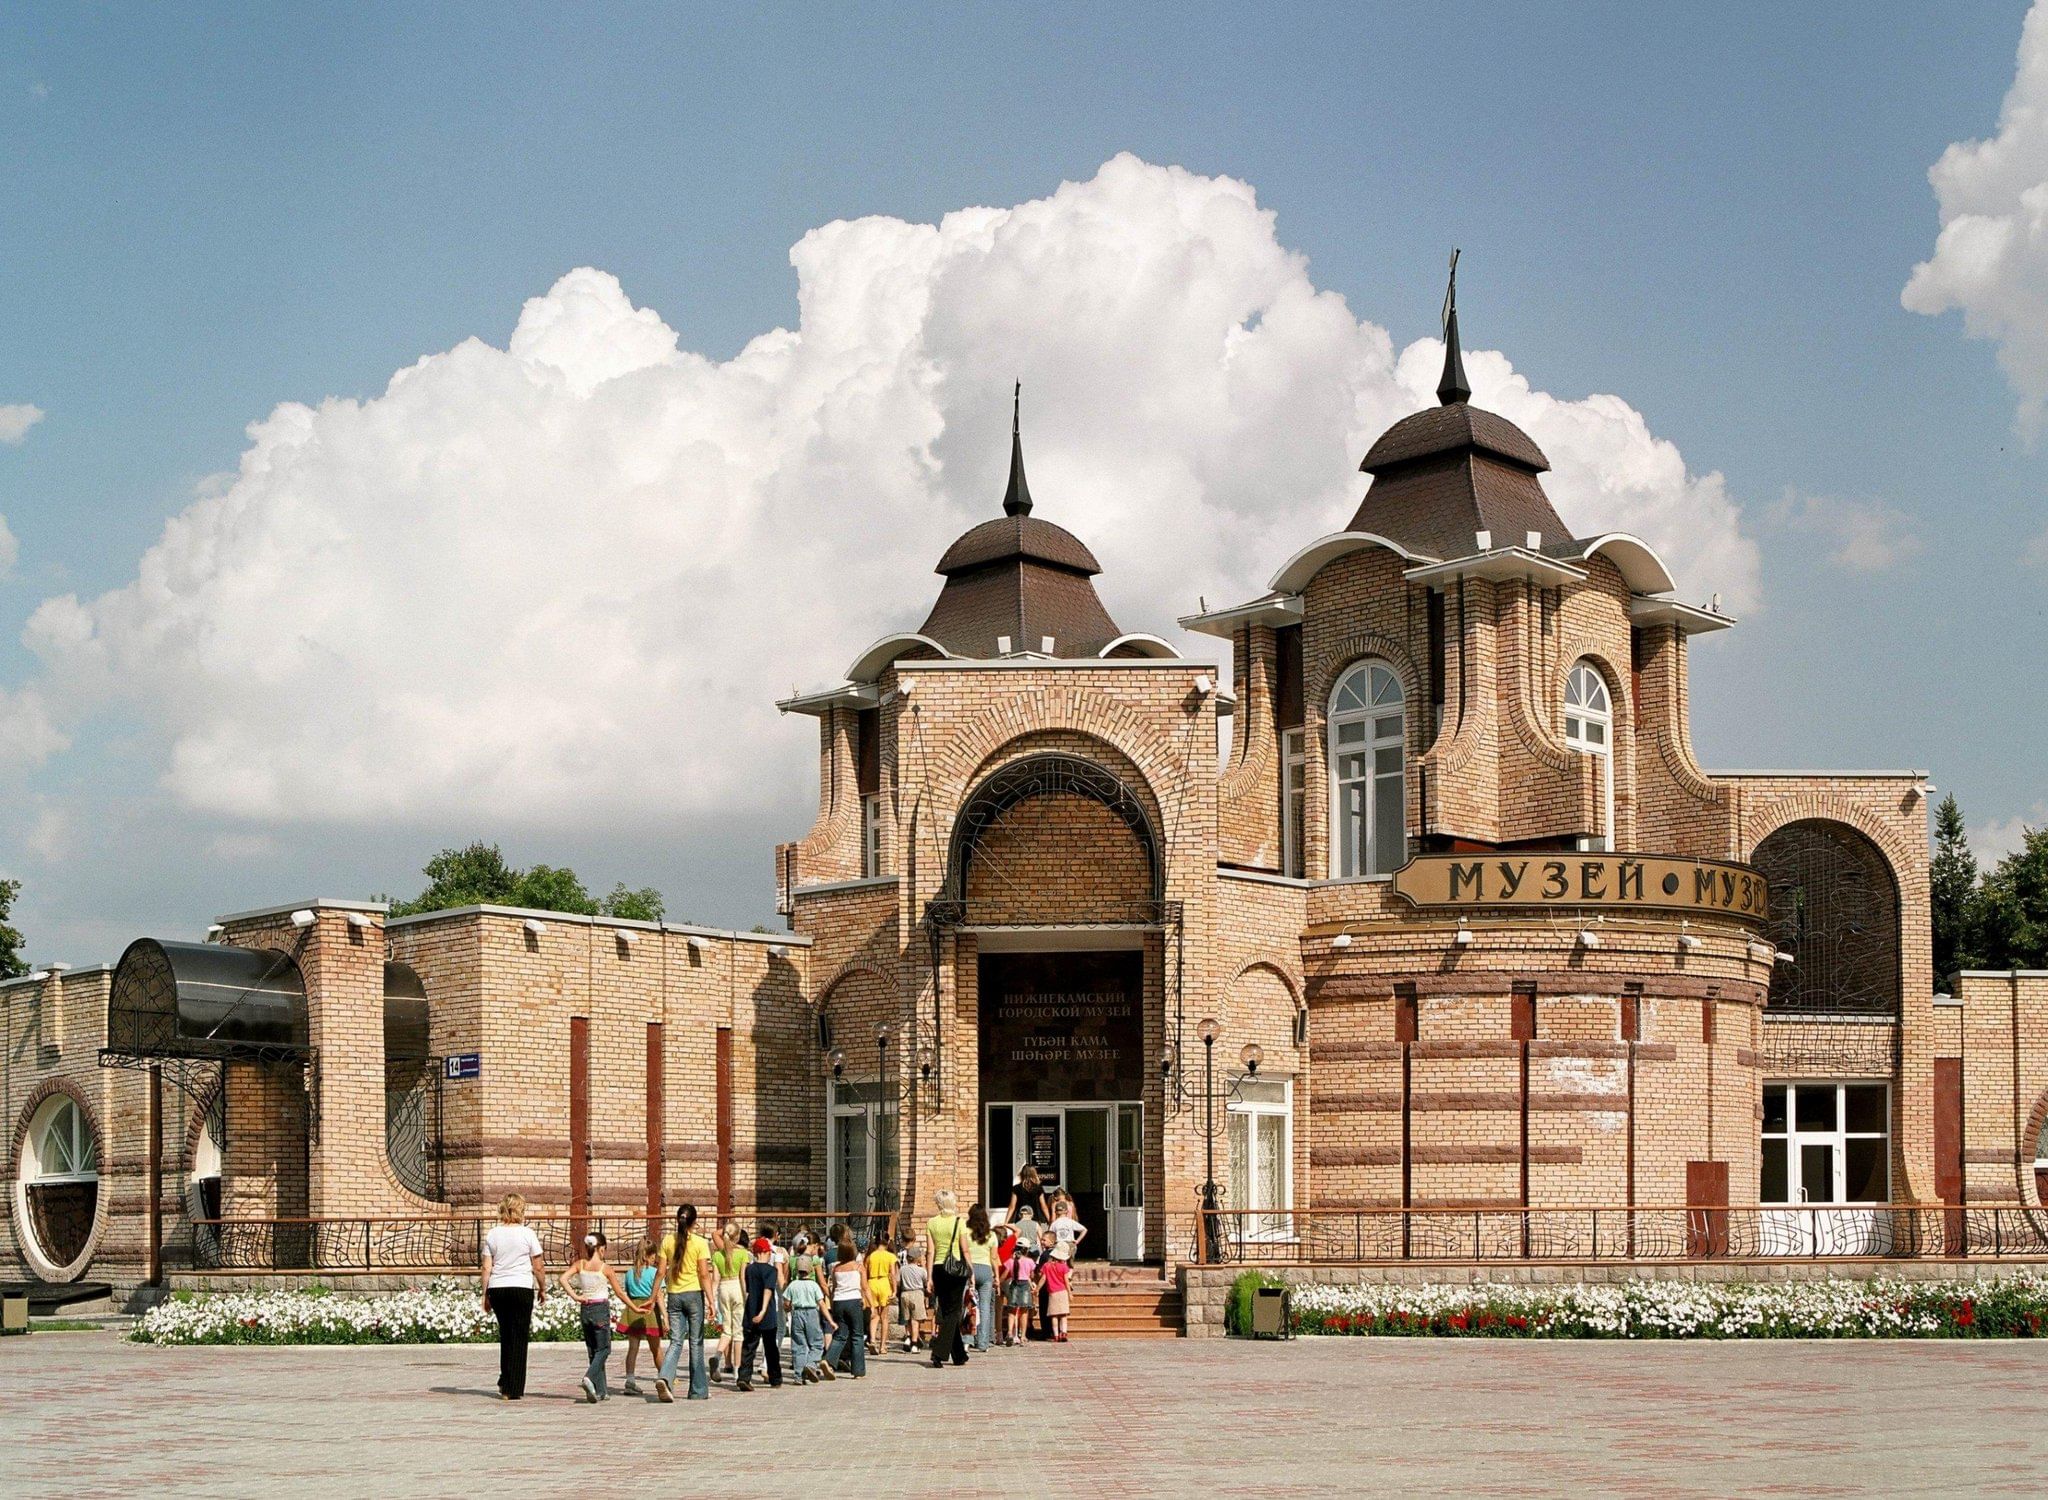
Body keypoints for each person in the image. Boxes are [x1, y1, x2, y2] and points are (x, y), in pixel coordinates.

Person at [480, 1192, 546, 1400]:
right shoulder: (527, 1234)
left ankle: (505, 1380)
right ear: (521, 1210)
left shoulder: (492, 1234)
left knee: (506, 1335)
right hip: (520, 1287)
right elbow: (538, 1265)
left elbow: (486, 1267)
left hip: (498, 1288)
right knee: (519, 1337)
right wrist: (543, 1288)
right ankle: (513, 1387)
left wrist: (485, 1295)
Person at [655, 1203, 716, 1403]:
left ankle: (665, 1376)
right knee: (696, 1342)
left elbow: (661, 1271)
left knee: (676, 1341)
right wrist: (711, 1301)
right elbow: (704, 1274)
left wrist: (652, 1295)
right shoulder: (700, 1243)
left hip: (674, 1295)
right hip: (693, 1295)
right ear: (694, 1221)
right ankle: (698, 1390)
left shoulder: (667, 1240)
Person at [561, 1231, 632, 1402]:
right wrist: (634, 1307)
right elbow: (620, 1292)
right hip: (600, 1308)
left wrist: (576, 1296)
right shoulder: (605, 1268)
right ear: (601, 1249)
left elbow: (563, 1279)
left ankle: (601, 1390)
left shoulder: (580, 1264)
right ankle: (589, 1378)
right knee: (604, 1349)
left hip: (586, 1309)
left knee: (593, 1351)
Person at [925, 1189, 971, 1369]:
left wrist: (929, 1276)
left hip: (938, 1268)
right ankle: (939, 1353)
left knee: (946, 1310)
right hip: (956, 1268)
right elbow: (965, 1249)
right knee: (954, 1312)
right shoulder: (960, 1222)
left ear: (939, 1204)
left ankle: (959, 1355)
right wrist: (971, 1271)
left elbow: (930, 1251)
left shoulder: (931, 1222)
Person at [617, 1234, 666, 1396]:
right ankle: (664, 1376)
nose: (655, 1260)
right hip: (649, 1310)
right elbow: (659, 1295)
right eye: (653, 1257)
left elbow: (628, 1292)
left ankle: (630, 1380)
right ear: (647, 1256)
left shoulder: (630, 1273)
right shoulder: (654, 1273)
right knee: (656, 1348)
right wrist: (665, 1316)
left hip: (633, 1310)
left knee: (633, 1348)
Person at [736, 1236, 783, 1391]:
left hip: (750, 1311)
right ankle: (775, 1378)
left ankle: (744, 1377)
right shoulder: (771, 1270)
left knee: (749, 1347)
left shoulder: (750, 1269)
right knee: (770, 1347)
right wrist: (763, 1310)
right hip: (767, 1314)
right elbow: (768, 1290)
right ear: (765, 1252)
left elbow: (748, 1289)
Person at [821, 1239, 870, 1378]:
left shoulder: (836, 1268)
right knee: (857, 1336)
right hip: (854, 1301)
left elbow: (834, 1287)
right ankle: (858, 1370)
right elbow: (865, 1287)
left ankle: (828, 1359)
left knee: (841, 1335)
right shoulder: (858, 1267)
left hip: (838, 1302)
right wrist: (869, 1302)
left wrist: (832, 1302)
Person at [785, 1250, 836, 1383]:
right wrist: (830, 1320)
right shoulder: (814, 1286)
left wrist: (788, 1308)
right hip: (812, 1313)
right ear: (811, 1270)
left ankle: (798, 1375)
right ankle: (811, 1364)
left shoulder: (792, 1285)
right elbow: (822, 1304)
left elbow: (786, 1303)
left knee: (798, 1345)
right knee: (817, 1344)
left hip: (797, 1314)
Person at [710, 1221, 750, 1385]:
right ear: (738, 1236)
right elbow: (742, 1277)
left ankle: (717, 1356)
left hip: (723, 1289)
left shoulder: (717, 1255)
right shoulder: (742, 1254)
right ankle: (737, 1370)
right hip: (736, 1287)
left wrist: (711, 1300)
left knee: (727, 1330)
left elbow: (715, 1280)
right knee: (738, 1332)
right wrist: (746, 1294)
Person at [964, 1204, 997, 1353]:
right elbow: (994, 1257)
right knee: (984, 1307)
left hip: (969, 1269)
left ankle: (967, 1340)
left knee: (968, 1305)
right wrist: (996, 1275)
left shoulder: (965, 1231)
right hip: (986, 1269)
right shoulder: (991, 1234)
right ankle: (983, 1343)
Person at [864, 1232, 899, 1355]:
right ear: (888, 1242)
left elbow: (865, 1272)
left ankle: (872, 1340)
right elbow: (893, 1274)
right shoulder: (890, 1256)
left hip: (872, 1283)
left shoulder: (870, 1256)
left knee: (874, 1315)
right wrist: (894, 1290)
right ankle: (882, 1346)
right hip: (884, 1283)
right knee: (884, 1317)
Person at [1002, 1230, 1038, 1347]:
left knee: (1012, 1310)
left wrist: (997, 1282)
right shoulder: (1030, 1261)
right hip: (1025, 1286)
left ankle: (1009, 1333)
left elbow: (1006, 1274)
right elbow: (1031, 1275)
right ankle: (1022, 1336)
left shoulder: (1010, 1261)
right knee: (1024, 1311)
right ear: (1027, 1250)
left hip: (1014, 1285)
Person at [1038, 1228, 1072, 1342]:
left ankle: (1049, 1333)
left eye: (1044, 1240)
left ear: (1052, 1242)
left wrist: (1037, 1288)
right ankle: (1063, 1332)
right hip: (1061, 1291)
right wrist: (1070, 1292)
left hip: (1049, 1289)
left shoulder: (1045, 1258)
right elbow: (1066, 1280)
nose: (1042, 1242)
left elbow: (1042, 1275)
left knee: (1049, 1313)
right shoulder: (1063, 1265)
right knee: (1063, 1314)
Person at [897, 1243, 929, 1353]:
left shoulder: (902, 1269)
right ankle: (914, 1343)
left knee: (907, 1319)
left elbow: (898, 1281)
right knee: (915, 1320)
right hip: (917, 1294)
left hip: (905, 1294)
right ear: (917, 1258)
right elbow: (926, 1281)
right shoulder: (920, 1270)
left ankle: (908, 1337)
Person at [1005, 1163, 1055, 1231]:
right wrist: (1049, 1220)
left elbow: (1012, 1206)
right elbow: (1043, 1206)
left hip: (1020, 1217)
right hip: (1034, 1217)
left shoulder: (1016, 1188)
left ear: (1022, 1174)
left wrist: (1006, 1221)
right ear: (1034, 1174)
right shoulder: (1038, 1188)